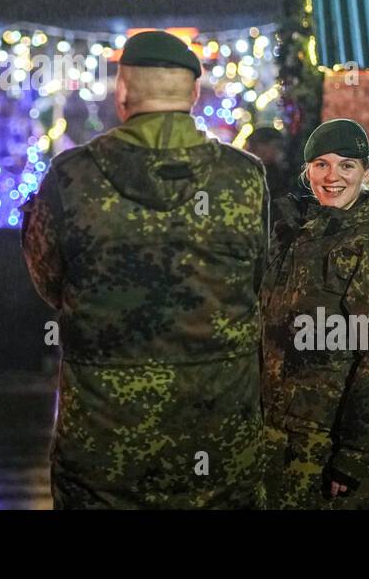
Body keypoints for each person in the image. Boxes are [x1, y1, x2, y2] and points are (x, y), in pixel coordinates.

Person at [20, 30, 270, 509]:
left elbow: (51, 282)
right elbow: (257, 280)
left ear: (122, 94)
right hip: (218, 434)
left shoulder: (71, 177)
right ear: (194, 94)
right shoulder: (244, 177)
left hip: (104, 437)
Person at [261, 119, 369, 509]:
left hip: (332, 462)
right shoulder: (295, 239)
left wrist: (353, 458)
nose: (333, 176)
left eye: (346, 165)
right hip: (284, 450)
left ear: (366, 172)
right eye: (321, 164)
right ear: (307, 172)